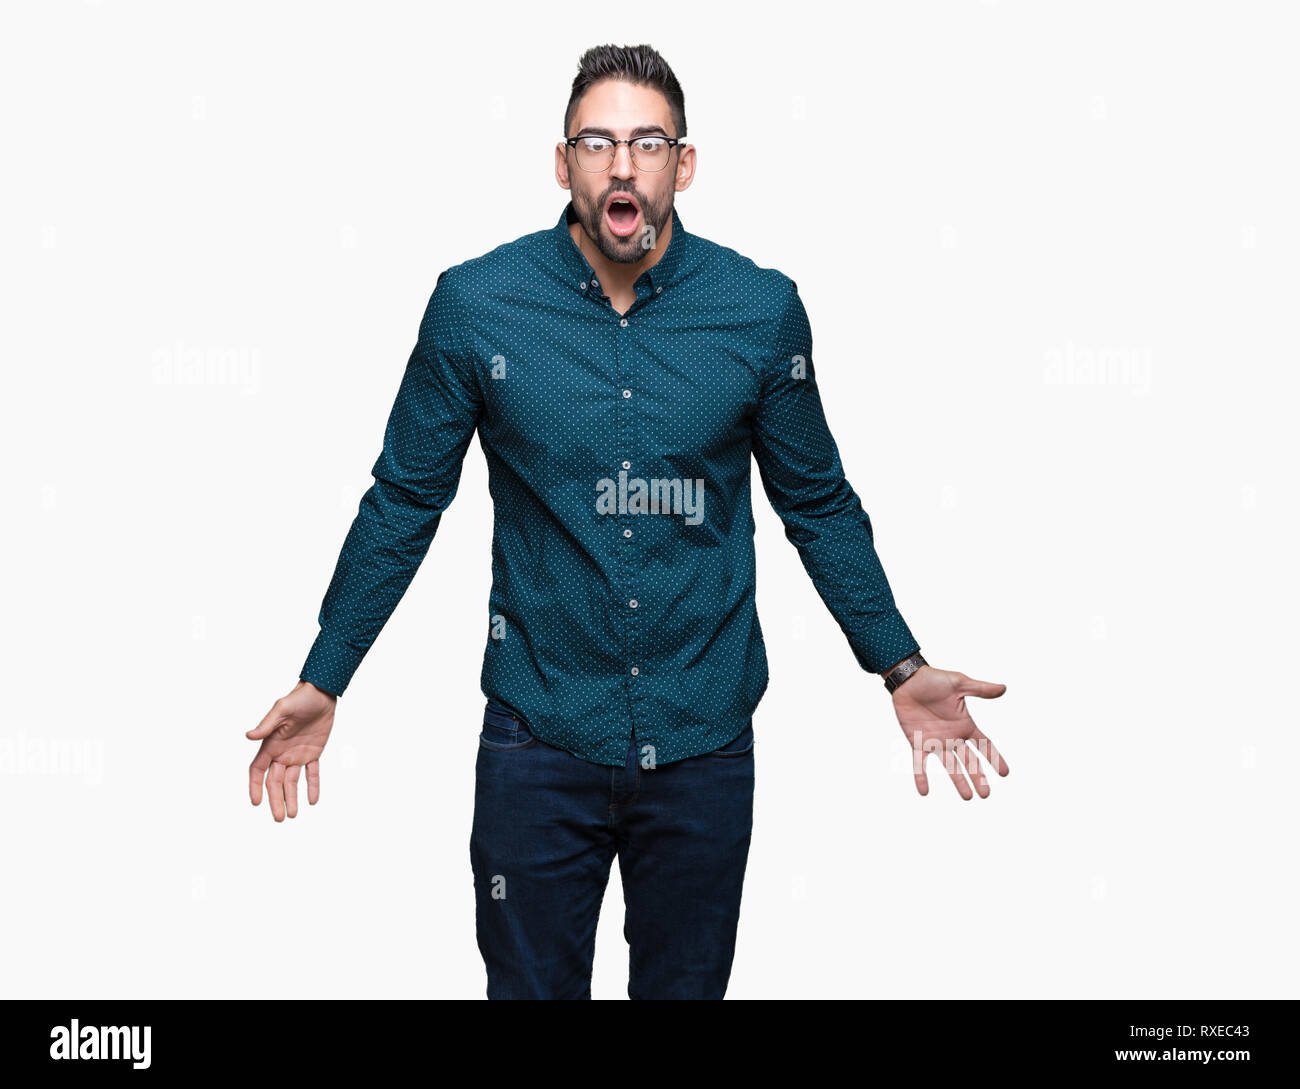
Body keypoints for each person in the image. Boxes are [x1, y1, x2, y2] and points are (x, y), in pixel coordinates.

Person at [246, 43, 1010, 1000]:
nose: (621, 164)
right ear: (561, 162)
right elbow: (404, 496)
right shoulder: (476, 306)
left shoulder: (760, 311)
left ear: (682, 165)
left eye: (647, 142)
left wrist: (898, 662)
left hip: (704, 739)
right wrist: (328, 674)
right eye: (596, 141)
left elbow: (815, 501)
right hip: (538, 736)